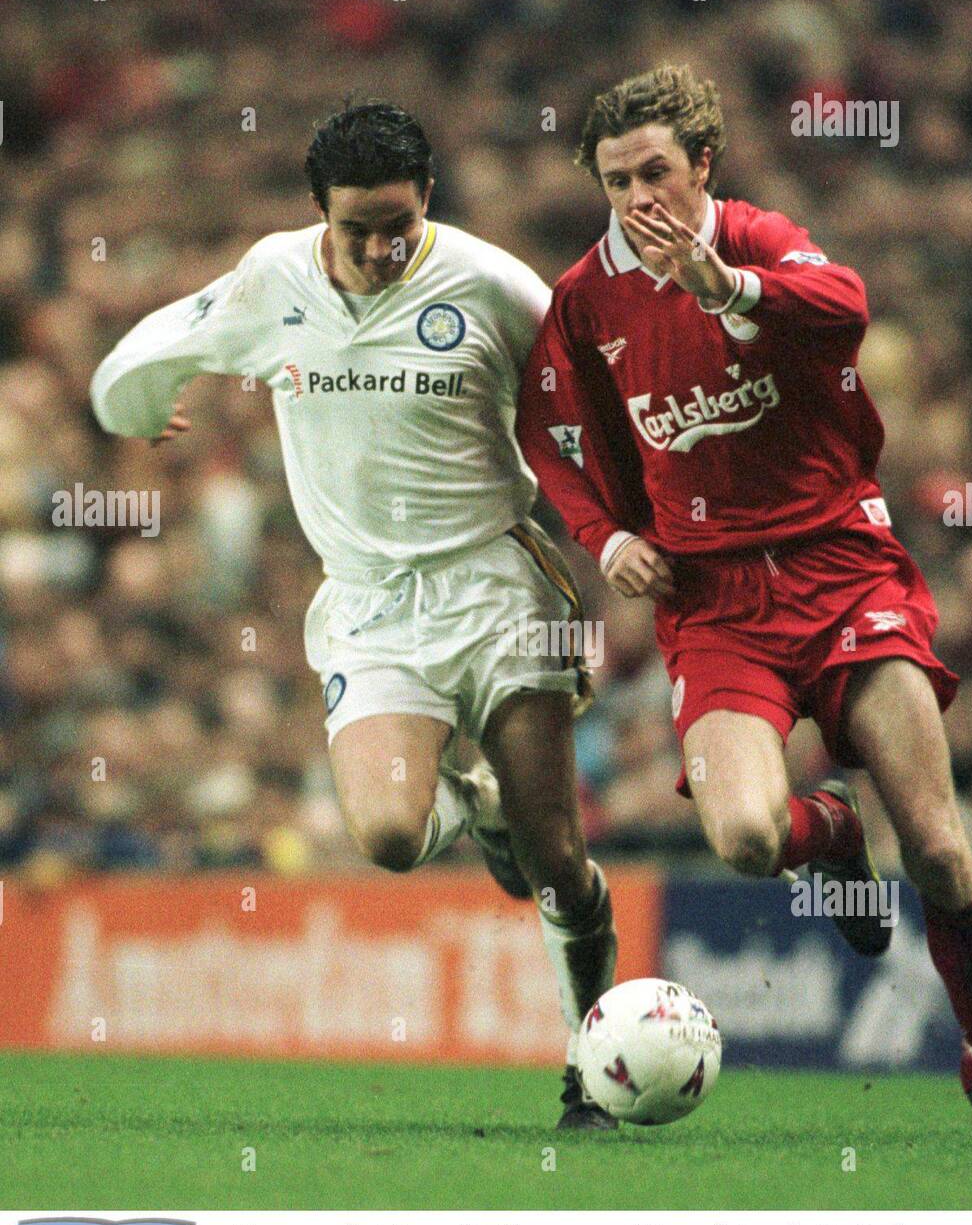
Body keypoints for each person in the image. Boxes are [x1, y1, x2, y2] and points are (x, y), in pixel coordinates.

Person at [516, 65, 972, 1137]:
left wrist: (731, 290)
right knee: (748, 837)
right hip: (712, 603)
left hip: (839, 568)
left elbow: (843, 302)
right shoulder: (583, 301)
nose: (635, 197)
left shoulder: (754, 240)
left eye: (654, 170)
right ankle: (831, 833)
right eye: (614, 180)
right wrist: (607, 536)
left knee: (938, 848)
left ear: (701, 164)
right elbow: (552, 442)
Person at [90, 100, 618, 1130]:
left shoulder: (495, 286)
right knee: (385, 833)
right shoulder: (272, 280)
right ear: (316, 215)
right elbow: (140, 354)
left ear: (426, 200)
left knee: (557, 854)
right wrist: (139, 406)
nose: (380, 248)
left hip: (496, 581)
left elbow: (594, 405)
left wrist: (632, 540)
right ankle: (474, 803)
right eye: (355, 230)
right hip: (370, 604)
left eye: (399, 226)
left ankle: (591, 1062)